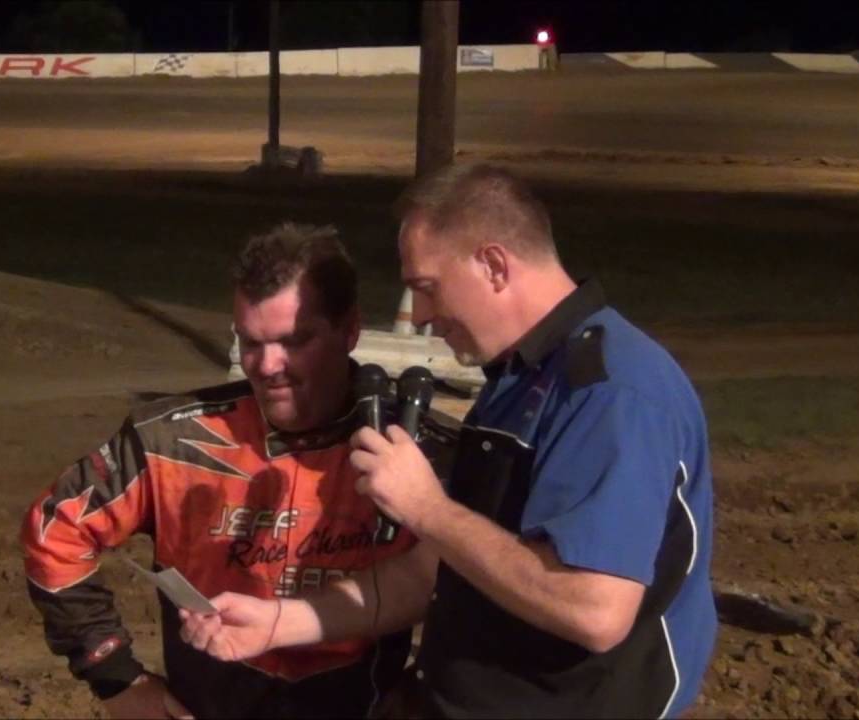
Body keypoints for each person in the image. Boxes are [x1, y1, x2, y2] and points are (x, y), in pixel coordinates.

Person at [180, 164, 717, 718]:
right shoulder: (518, 381)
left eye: (426, 289)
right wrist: (276, 622)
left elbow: (594, 611)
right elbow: (433, 570)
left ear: (493, 265)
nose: (423, 316)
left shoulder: (611, 393)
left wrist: (427, 508)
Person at [20, 223, 457, 719]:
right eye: (251, 342)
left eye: (295, 341)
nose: (269, 365)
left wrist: (424, 696)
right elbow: (54, 531)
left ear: (350, 329)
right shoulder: (174, 441)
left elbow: (499, 596)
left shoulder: (419, 449)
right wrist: (117, 679)